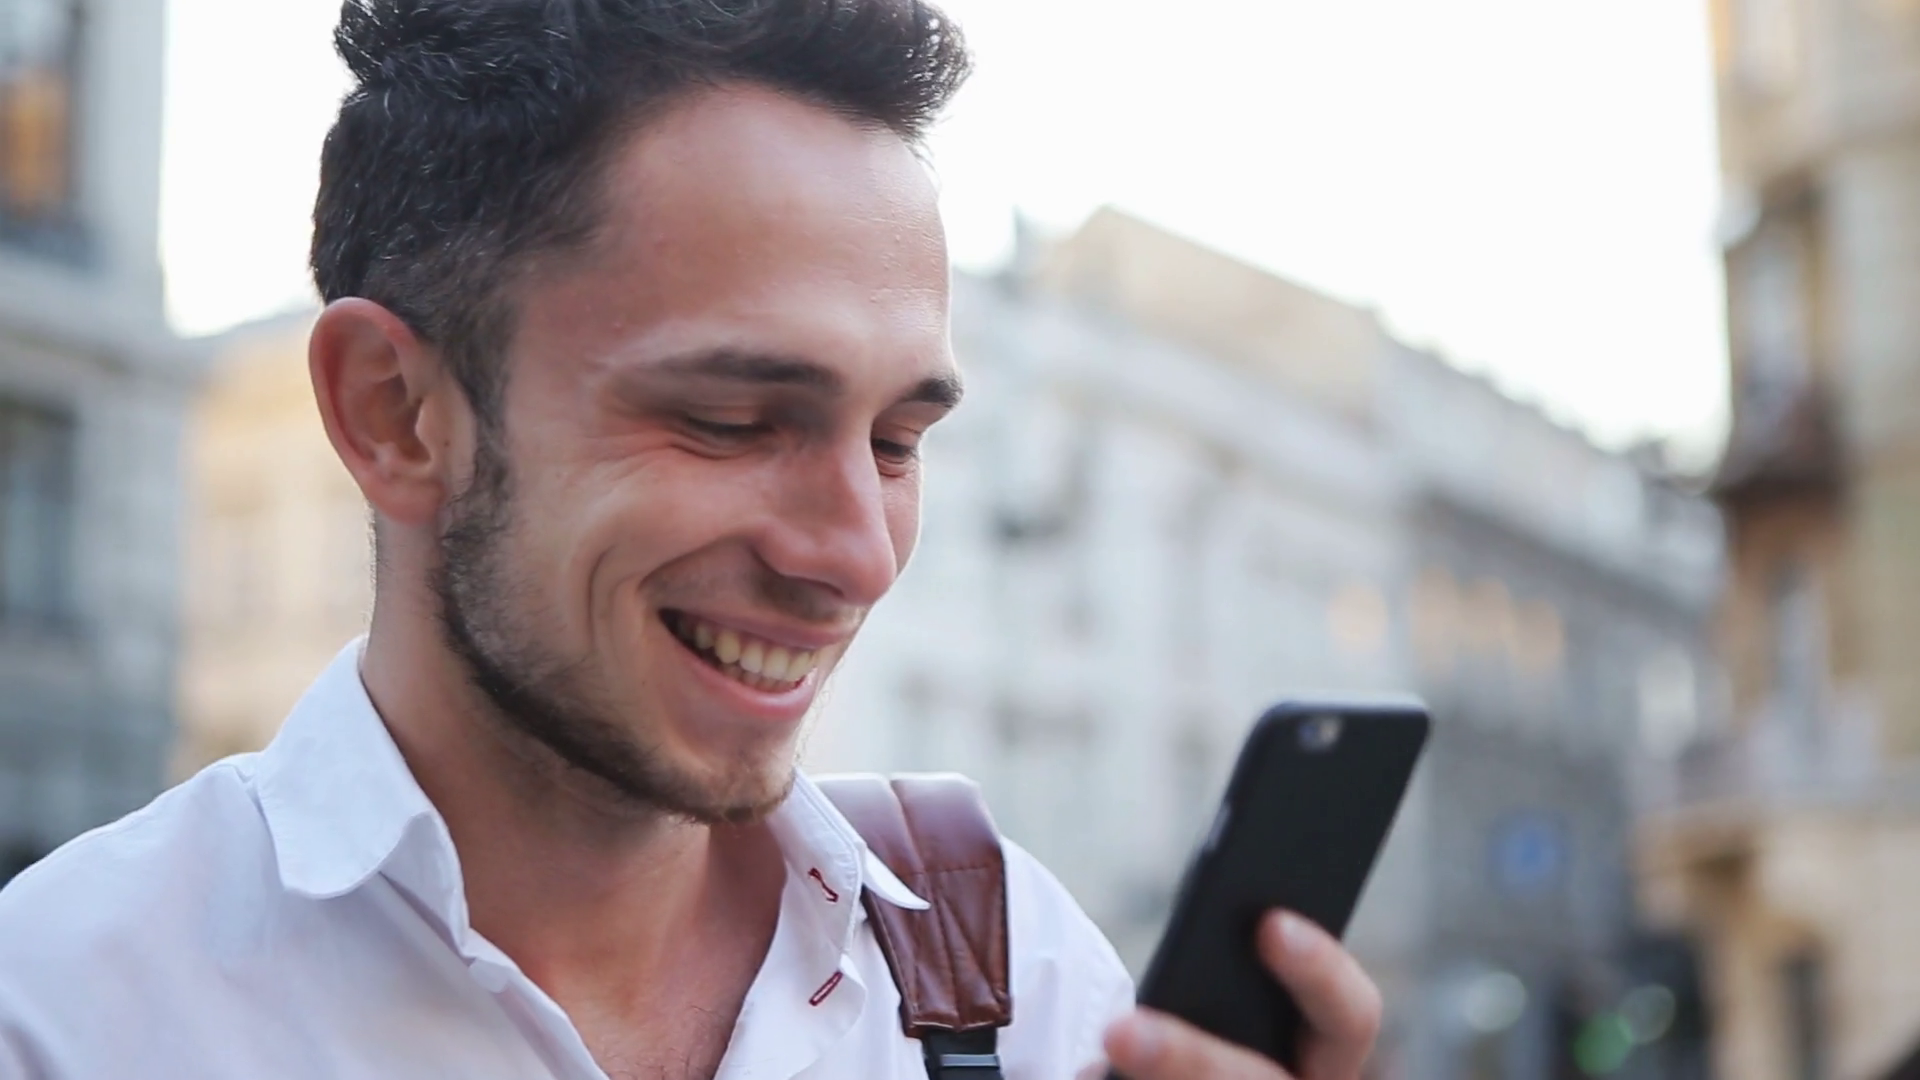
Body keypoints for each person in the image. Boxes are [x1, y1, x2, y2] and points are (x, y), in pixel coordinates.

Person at [0, 2, 1384, 1077]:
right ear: (396, 414)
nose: (854, 553)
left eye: (898, 441)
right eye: (732, 420)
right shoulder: (67, 1011)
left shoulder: (999, 966)